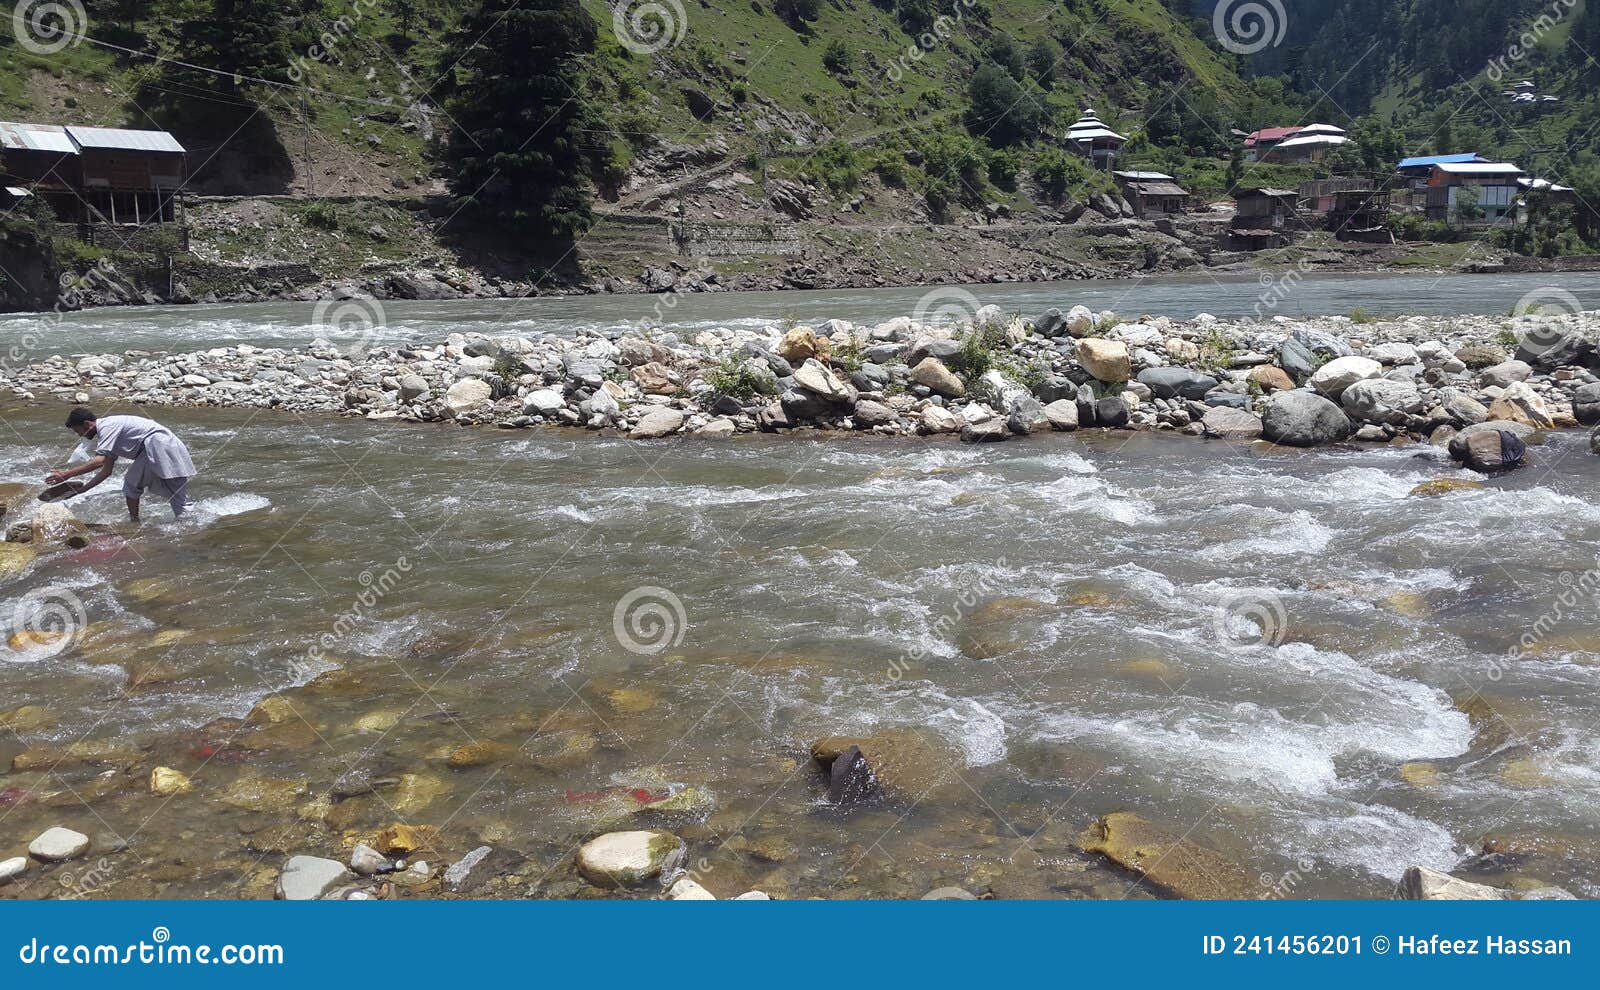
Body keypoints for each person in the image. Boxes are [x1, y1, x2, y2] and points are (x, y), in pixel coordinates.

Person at [46, 409, 197, 521]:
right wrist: (82, 490)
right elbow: (106, 471)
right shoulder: (108, 433)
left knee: (131, 484)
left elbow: (100, 461)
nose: (79, 435)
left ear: (87, 424)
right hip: (170, 444)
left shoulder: (107, 427)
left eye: (78, 431)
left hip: (157, 445)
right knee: (178, 496)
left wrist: (65, 475)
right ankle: (192, 526)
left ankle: (134, 523)